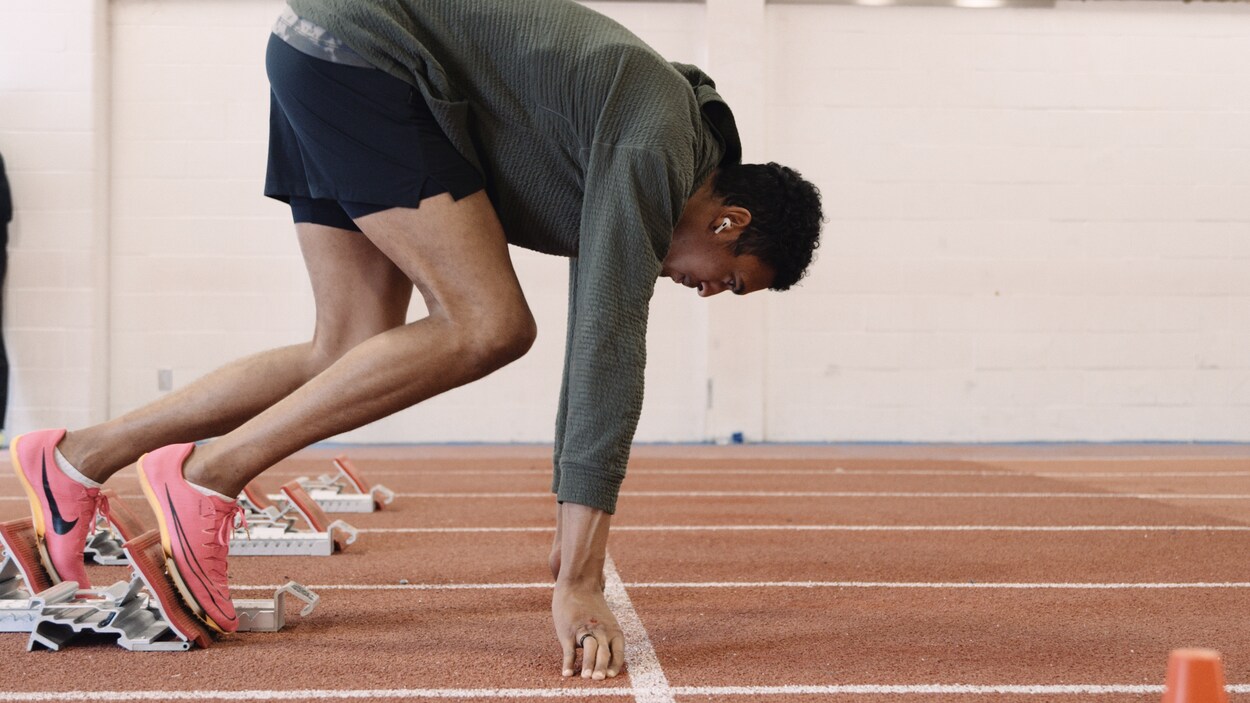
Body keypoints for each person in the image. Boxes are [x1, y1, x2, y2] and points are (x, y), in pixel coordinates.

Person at [11, 0, 822, 680]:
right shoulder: (657, 148)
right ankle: (207, 475)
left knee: (350, 343)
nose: (711, 291)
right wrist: (577, 577)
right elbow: (605, 347)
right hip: (368, 57)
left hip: (324, 49)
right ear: (730, 221)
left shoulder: (662, 141)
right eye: (731, 277)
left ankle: (78, 456)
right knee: (491, 325)